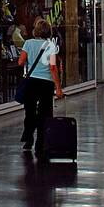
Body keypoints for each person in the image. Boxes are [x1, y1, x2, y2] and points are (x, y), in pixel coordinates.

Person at [17, 16, 64, 155]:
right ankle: (41, 142)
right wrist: (58, 88)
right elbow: (53, 68)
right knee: (45, 113)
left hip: (31, 82)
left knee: (30, 111)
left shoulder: (28, 43)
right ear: (48, 32)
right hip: (46, 83)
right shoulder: (51, 46)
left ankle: (28, 138)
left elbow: (20, 62)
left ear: (36, 31)